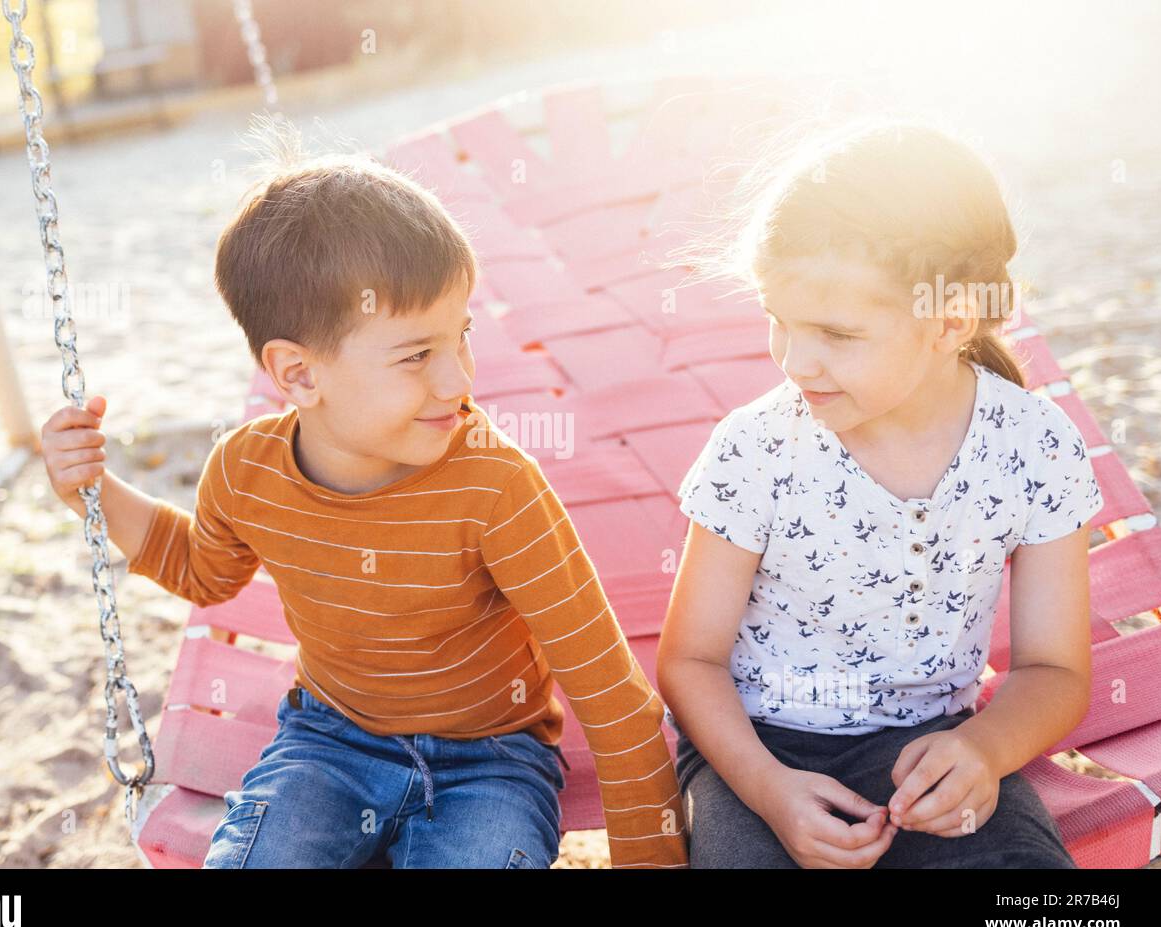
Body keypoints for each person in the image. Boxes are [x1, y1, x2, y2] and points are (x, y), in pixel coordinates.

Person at [39, 133, 686, 869]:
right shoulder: (247, 470)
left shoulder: (495, 486)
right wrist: (93, 491)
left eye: (460, 337)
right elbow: (201, 571)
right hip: (328, 744)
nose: (458, 381)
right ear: (299, 375)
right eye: (417, 356)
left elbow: (614, 698)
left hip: (490, 763)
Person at [657, 118, 1102, 868]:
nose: (796, 361)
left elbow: (1055, 671)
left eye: (836, 333)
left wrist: (982, 752)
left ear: (950, 320)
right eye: (779, 322)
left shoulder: (1034, 446)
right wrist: (770, 791)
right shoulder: (758, 448)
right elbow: (689, 662)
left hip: (931, 748)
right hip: (756, 753)